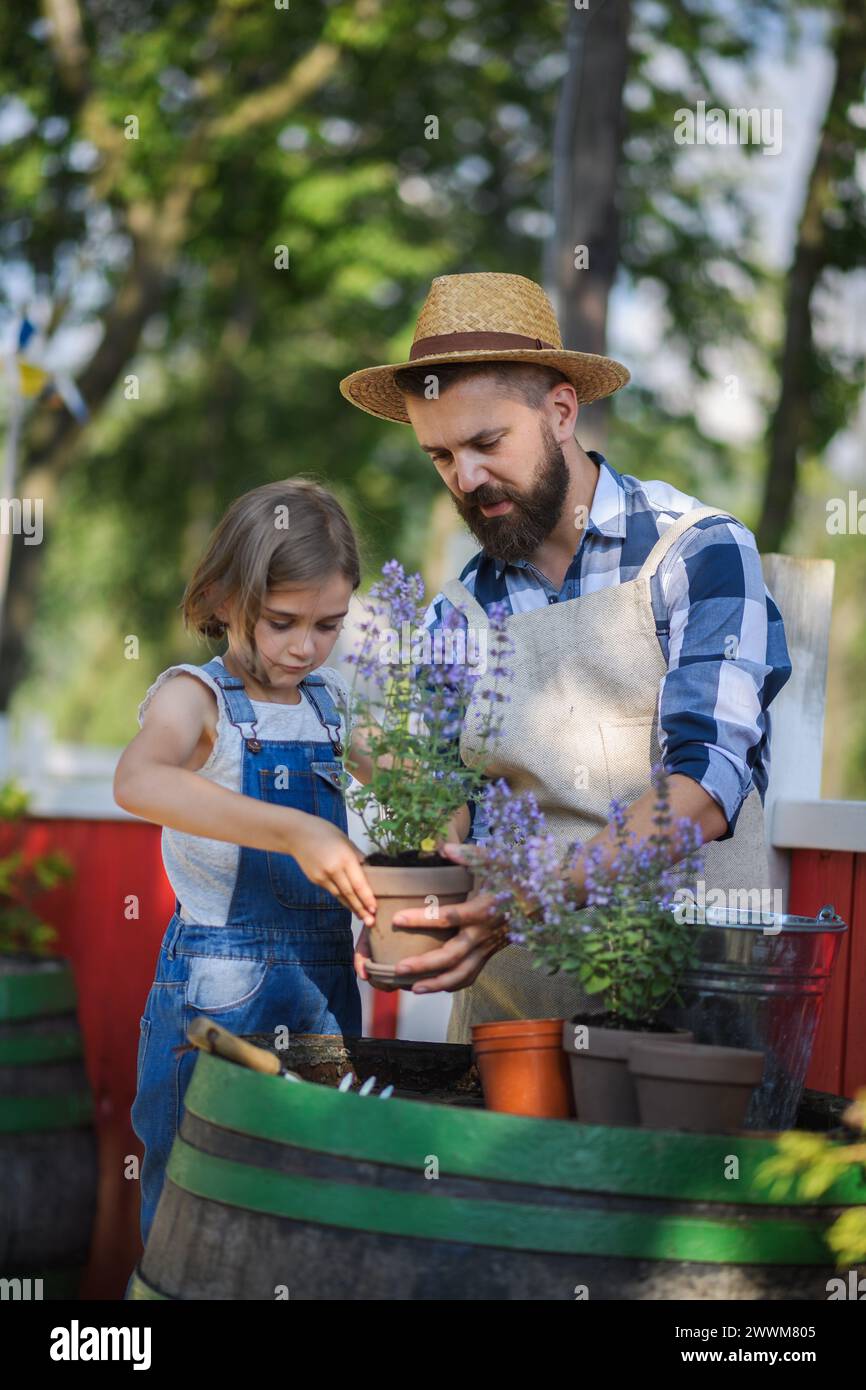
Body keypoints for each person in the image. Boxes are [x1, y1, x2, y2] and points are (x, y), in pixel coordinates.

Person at [340, 271, 792, 1043]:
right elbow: (444, 813)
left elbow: (705, 786)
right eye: (440, 456)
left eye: (487, 443)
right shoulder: (457, 614)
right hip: (508, 1021)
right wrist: (415, 903)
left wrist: (531, 894)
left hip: (687, 1015)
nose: (467, 478)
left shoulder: (696, 554)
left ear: (559, 410)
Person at [114, 478, 379, 1260]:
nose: (305, 647)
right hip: (218, 992)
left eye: (329, 624)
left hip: (326, 988)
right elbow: (138, 781)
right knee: (199, 1207)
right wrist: (294, 829)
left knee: (306, 1206)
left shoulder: (334, 705)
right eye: (283, 622)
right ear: (229, 598)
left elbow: (424, 799)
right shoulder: (195, 699)